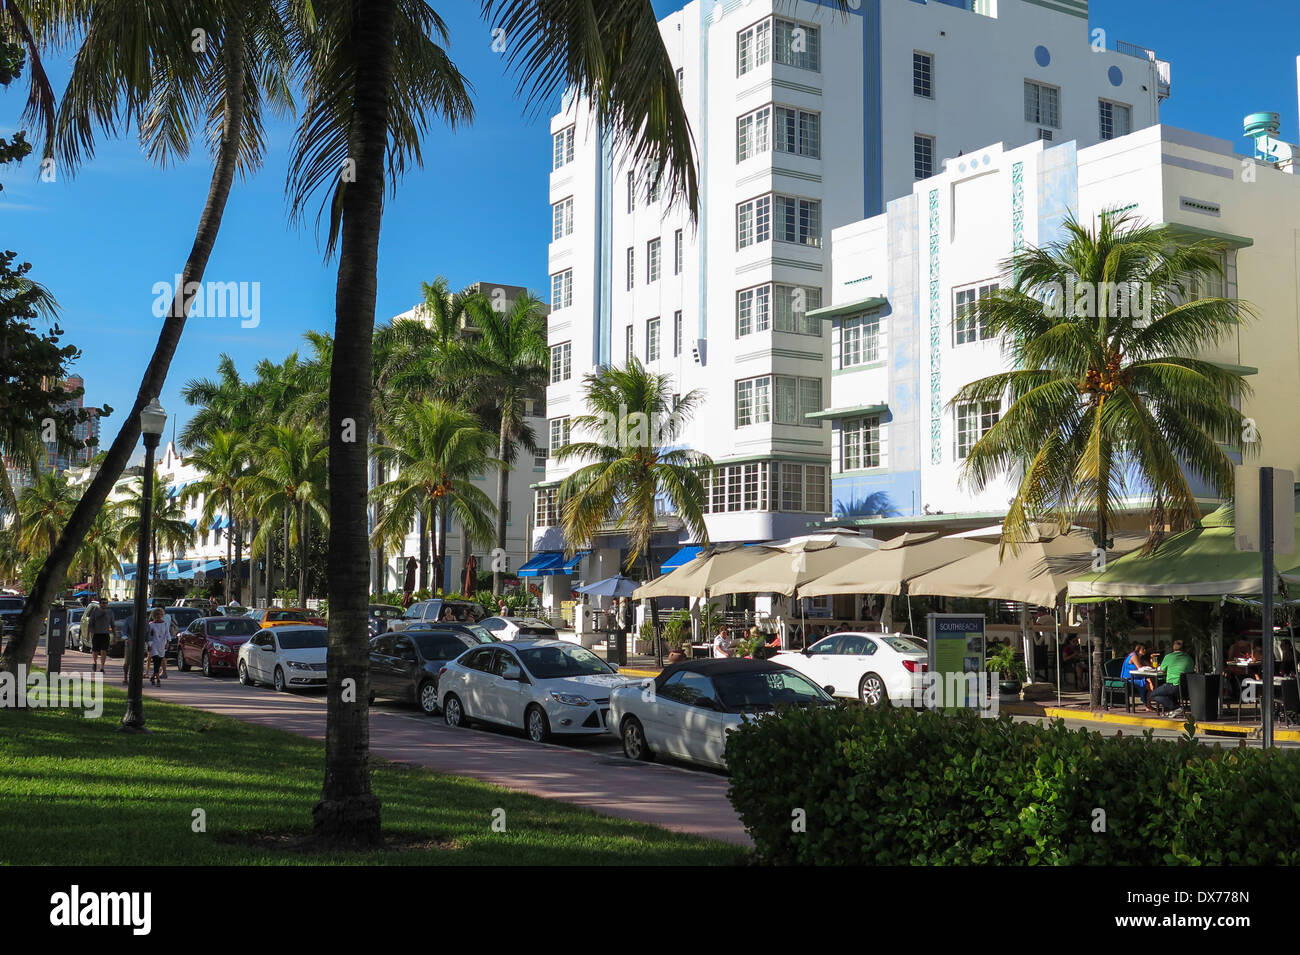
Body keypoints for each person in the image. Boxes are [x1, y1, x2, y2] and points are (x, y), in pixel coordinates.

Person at [1148, 639, 1194, 715]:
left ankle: (1176, 707)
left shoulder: (1168, 657)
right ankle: (1176, 708)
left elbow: (1162, 669)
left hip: (1173, 685)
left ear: (1173, 648)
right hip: (1186, 688)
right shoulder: (1189, 658)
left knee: (1153, 695)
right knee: (1167, 691)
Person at [85, 599, 114, 674]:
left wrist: (115, 636)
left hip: (105, 634)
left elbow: (113, 625)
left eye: (106, 603)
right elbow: (90, 624)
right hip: (96, 633)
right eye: (103, 603)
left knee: (104, 651)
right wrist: (88, 635)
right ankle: (95, 662)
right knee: (95, 651)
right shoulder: (95, 612)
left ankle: (102, 667)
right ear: (100, 604)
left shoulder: (110, 612)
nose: (105, 604)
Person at [146, 608, 170, 686]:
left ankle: (153, 676)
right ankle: (158, 680)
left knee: (159, 661)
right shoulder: (151, 624)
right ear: (154, 616)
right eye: (156, 615)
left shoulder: (165, 624)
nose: (158, 616)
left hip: (162, 644)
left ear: (162, 615)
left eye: (160, 614)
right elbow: (149, 636)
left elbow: (167, 634)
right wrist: (149, 645)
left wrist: (167, 643)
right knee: (156, 659)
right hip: (154, 644)